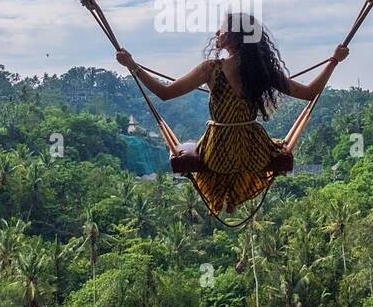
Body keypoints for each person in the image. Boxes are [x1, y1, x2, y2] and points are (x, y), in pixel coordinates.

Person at [116, 12, 348, 214]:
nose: (217, 32)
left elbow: (165, 93)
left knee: (216, 160)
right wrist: (334, 61)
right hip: (254, 151)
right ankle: (234, 197)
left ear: (234, 37)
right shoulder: (261, 71)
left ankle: (228, 196)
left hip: (219, 153)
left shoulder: (212, 69)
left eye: (223, 29)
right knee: (255, 156)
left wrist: (133, 65)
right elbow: (310, 93)